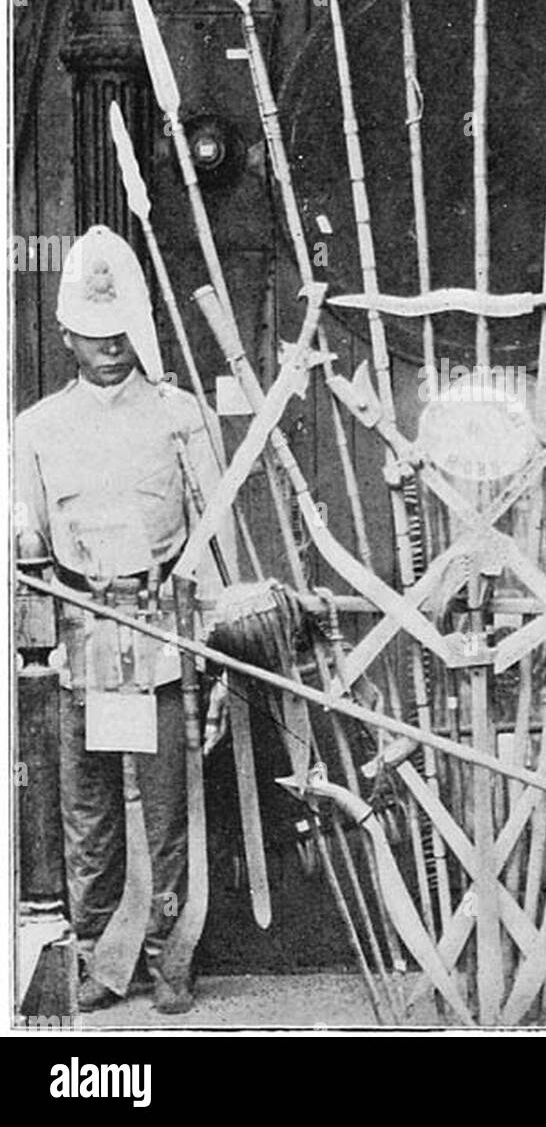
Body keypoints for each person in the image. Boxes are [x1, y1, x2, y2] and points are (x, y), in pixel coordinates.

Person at [14, 225, 231, 1012]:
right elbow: (28, 548)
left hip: (163, 632)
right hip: (84, 636)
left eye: (121, 335)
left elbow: (213, 541)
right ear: (68, 334)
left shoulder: (180, 416)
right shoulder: (35, 430)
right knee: (90, 808)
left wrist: (204, 651)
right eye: (94, 337)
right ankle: (104, 958)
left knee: (167, 804)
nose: (110, 349)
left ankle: (170, 952)